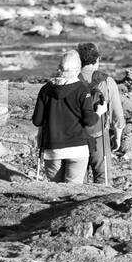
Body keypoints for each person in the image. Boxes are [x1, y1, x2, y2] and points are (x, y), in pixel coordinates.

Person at [32, 48, 104, 184]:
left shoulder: (46, 89)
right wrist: (99, 112)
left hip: (53, 149)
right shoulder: (82, 90)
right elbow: (89, 121)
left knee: (57, 191)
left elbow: (37, 121)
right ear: (77, 70)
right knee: (72, 192)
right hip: (77, 148)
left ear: (59, 68)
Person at [76, 41, 126, 183]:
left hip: (74, 136)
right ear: (97, 59)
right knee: (103, 179)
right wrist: (117, 138)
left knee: (77, 180)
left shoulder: (72, 79)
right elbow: (117, 115)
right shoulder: (107, 81)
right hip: (99, 136)